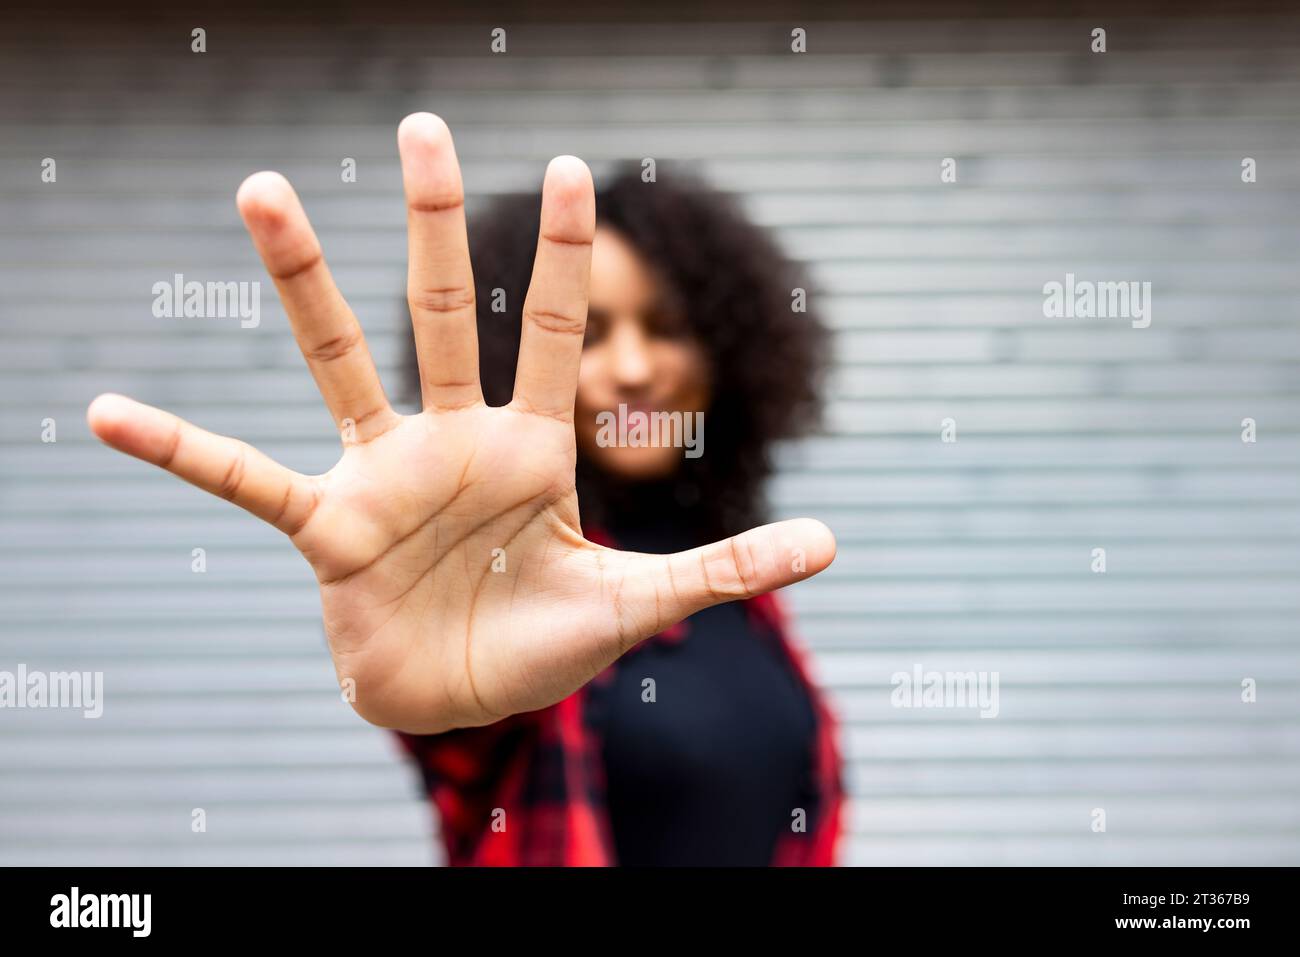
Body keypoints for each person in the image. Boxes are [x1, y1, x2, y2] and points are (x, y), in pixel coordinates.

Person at [86, 112, 845, 866]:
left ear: (729, 353)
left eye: (667, 327)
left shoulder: (740, 587)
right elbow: (471, 728)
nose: (635, 367)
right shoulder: (515, 578)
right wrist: (437, 662)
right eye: (592, 332)